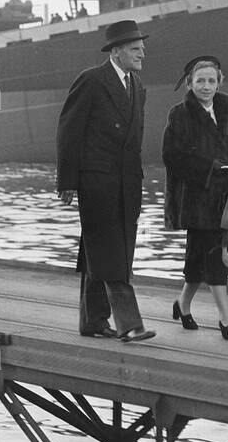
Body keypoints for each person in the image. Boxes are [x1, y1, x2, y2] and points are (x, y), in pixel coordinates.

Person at [55, 19, 155, 343]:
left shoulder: (137, 87)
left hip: (127, 184)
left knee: (104, 250)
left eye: (142, 48)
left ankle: (92, 321)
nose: (143, 54)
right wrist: (68, 181)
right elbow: (69, 132)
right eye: (136, 49)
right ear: (117, 51)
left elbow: (134, 140)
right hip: (97, 182)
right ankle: (130, 324)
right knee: (111, 252)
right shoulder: (92, 80)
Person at [162, 55, 228, 342]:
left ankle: (183, 304)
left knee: (199, 258)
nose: (206, 86)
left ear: (219, 82)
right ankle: (226, 319)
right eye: (200, 81)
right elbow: (172, 156)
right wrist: (208, 168)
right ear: (190, 83)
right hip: (197, 197)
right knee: (216, 257)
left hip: (225, 198)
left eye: (211, 80)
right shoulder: (180, 114)